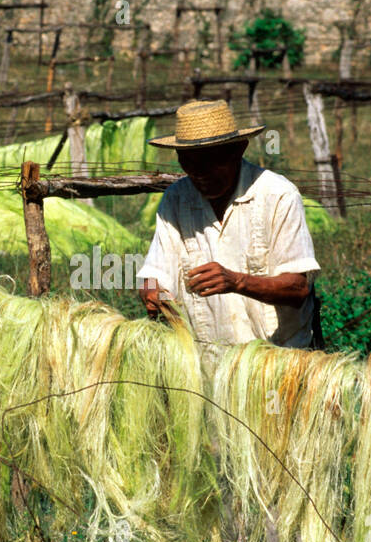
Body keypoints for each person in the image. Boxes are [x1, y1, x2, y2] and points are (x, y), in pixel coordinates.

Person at [136, 99, 322, 366]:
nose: (200, 173)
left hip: (278, 364)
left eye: (211, 161)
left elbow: (299, 286)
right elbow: (155, 274)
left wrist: (238, 282)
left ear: (238, 150)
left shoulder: (277, 194)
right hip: (209, 367)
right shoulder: (176, 199)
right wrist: (153, 292)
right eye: (188, 162)